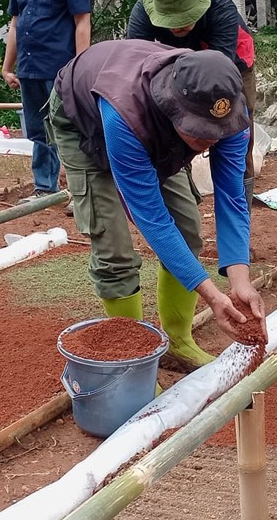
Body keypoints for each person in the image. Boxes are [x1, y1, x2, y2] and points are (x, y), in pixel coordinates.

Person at [49, 39, 265, 371]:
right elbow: (151, 217)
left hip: (153, 132)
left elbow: (232, 197)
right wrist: (212, 296)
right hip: (84, 120)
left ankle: (178, 342)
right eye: (200, 133)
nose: (210, 141)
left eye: (216, 133)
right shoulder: (127, 113)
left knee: (188, 231)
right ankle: (133, 362)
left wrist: (240, 281)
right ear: (174, 108)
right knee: (114, 248)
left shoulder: (228, 114)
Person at [125, 0, 258, 197]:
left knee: (232, 121)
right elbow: (136, 69)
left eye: (185, 17)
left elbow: (219, 75)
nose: (178, 25)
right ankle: (182, 188)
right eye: (171, 20)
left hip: (229, 62)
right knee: (169, 120)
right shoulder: (143, 11)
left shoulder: (219, 7)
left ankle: (240, 189)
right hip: (172, 63)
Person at [0, 0, 92, 203]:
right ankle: (45, 189)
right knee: (38, 131)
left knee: (69, 127)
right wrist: (7, 66)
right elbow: (16, 23)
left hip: (60, 69)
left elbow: (82, 22)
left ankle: (82, 190)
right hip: (30, 69)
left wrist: (80, 69)